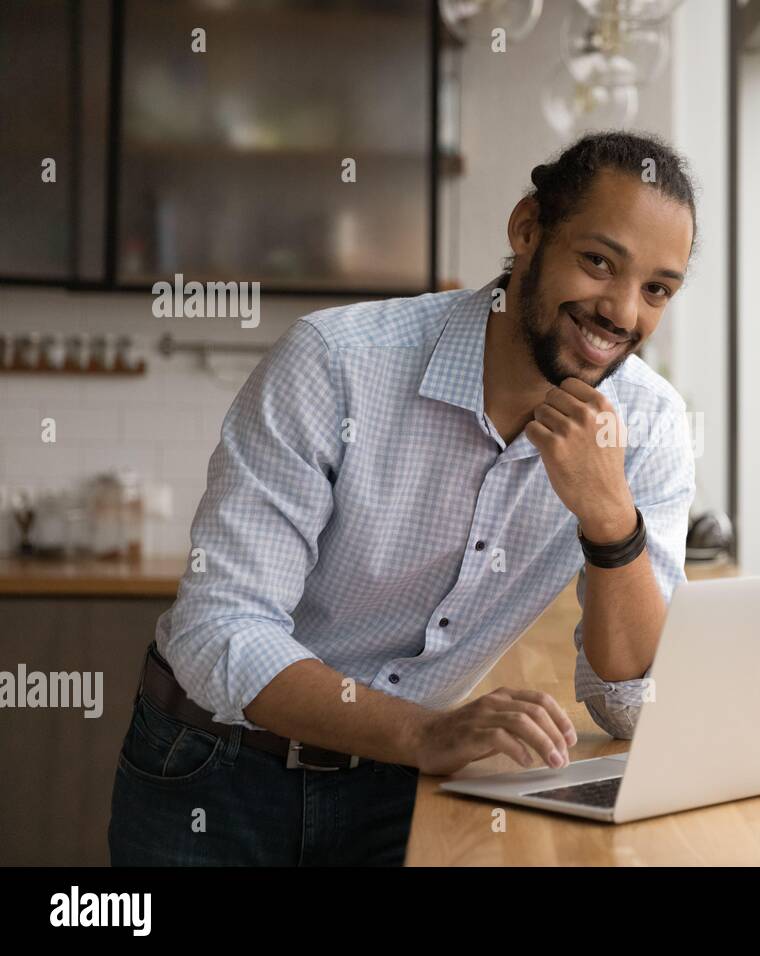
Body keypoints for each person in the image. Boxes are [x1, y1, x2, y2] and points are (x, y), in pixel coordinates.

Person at [108, 130, 698, 865]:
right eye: (598, 262)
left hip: (401, 790)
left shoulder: (649, 426)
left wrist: (612, 520)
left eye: (656, 290)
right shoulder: (337, 363)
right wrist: (423, 733)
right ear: (527, 229)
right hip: (218, 772)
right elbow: (218, 629)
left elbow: (630, 703)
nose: (621, 311)